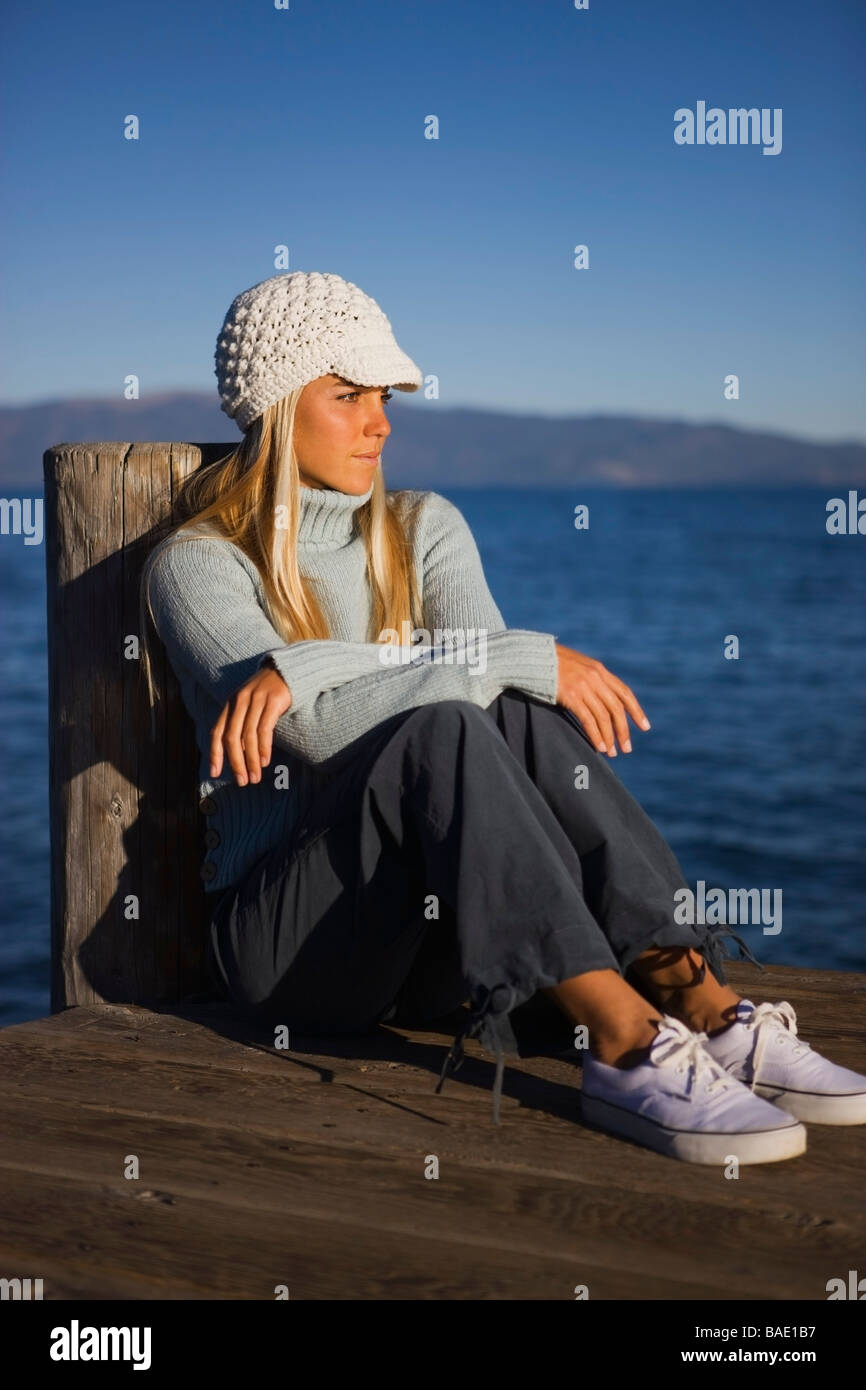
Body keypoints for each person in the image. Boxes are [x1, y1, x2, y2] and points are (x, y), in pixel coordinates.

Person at [140, 270, 866, 1166]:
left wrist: (309, 667)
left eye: (385, 397)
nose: (381, 423)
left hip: (439, 947)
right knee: (442, 724)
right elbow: (315, 732)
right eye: (348, 396)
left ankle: (706, 1007)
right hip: (293, 950)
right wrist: (372, 675)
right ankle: (623, 1044)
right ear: (281, 409)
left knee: (510, 714)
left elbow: (493, 685)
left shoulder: (423, 525)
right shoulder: (199, 566)